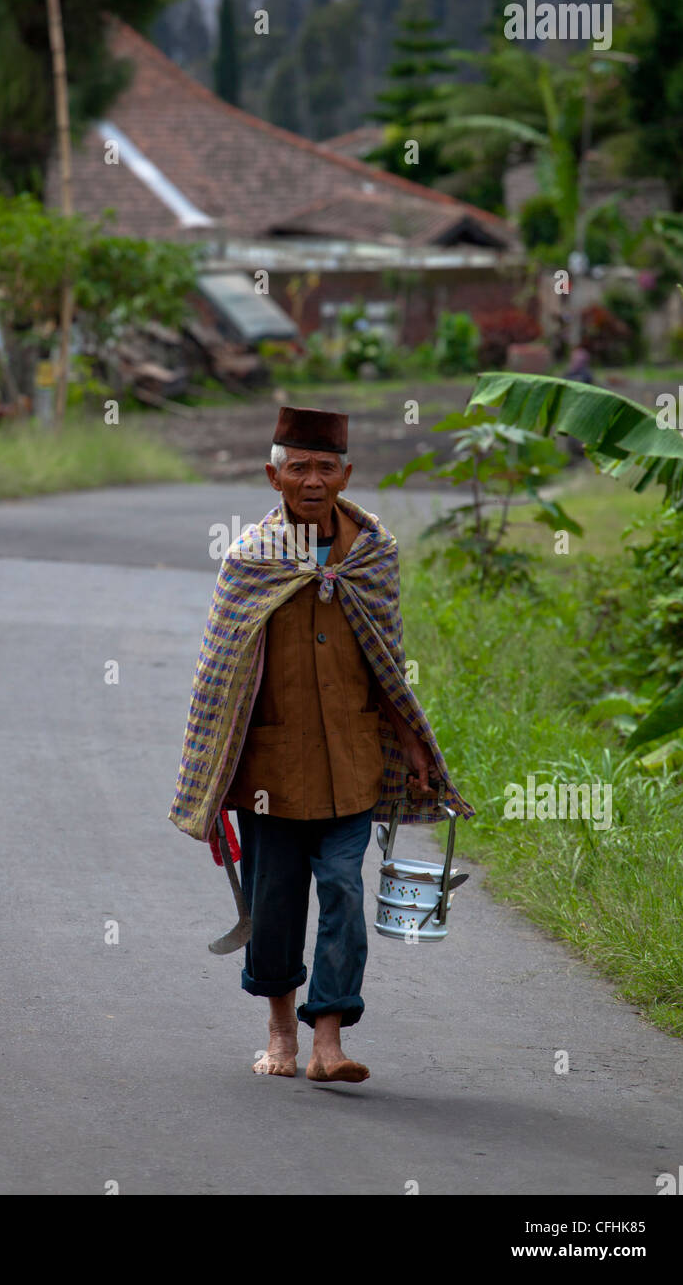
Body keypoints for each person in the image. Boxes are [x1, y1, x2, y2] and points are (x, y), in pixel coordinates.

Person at [168, 406, 475, 1084]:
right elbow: (219, 673)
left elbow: (387, 663)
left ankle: (328, 1040)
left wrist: (415, 746)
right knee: (273, 906)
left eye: (325, 467)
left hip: (352, 765)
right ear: (273, 475)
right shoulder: (251, 558)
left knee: (342, 887)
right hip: (271, 770)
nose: (313, 479)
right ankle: (280, 1032)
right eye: (299, 467)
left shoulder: (373, 554)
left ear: (347, 474)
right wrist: (214, 771)